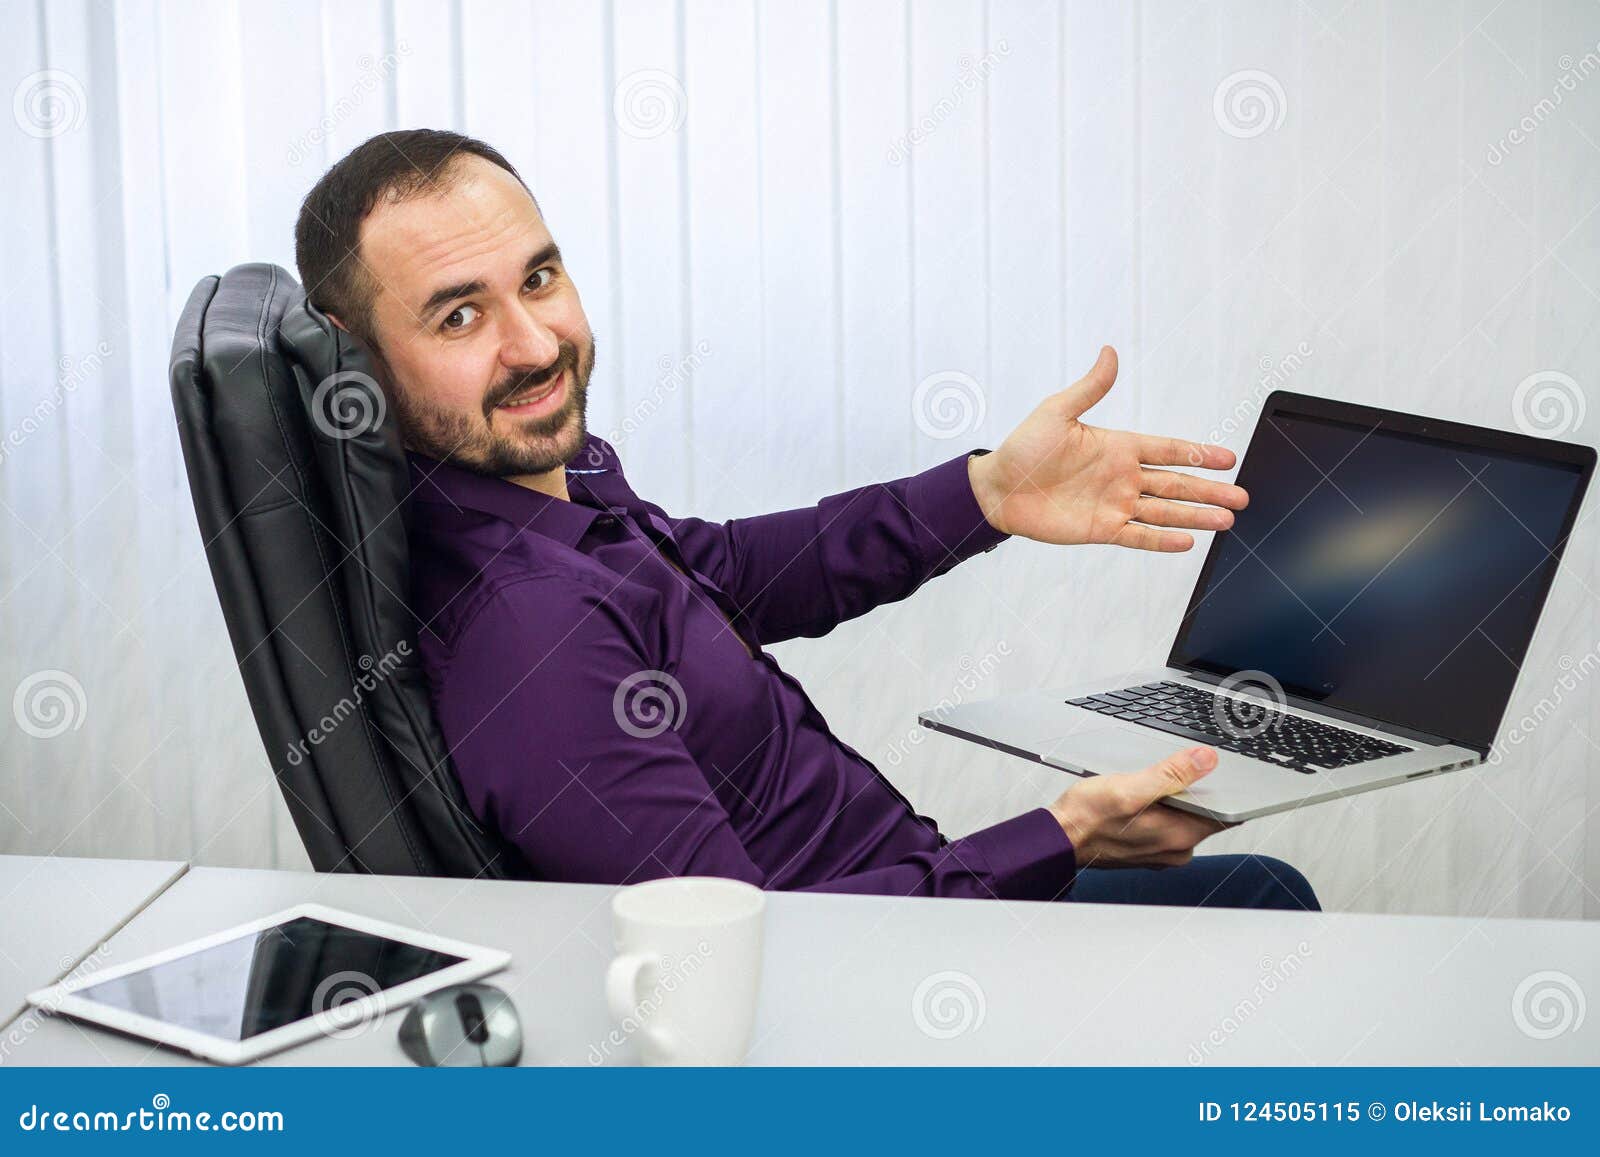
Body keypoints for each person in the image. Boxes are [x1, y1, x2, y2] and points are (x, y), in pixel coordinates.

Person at [293, 129, 1317, 912]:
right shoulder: (531, 634)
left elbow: (717, 573)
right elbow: (736, 953)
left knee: (1255, 893)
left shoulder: (546, 484)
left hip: (912, 896)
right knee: (1265, 901)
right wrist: (1059, 835)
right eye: (457, 315)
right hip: (880, 983)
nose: (533, 344)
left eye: (539, 278)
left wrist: (987, 493)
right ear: (356, 355)